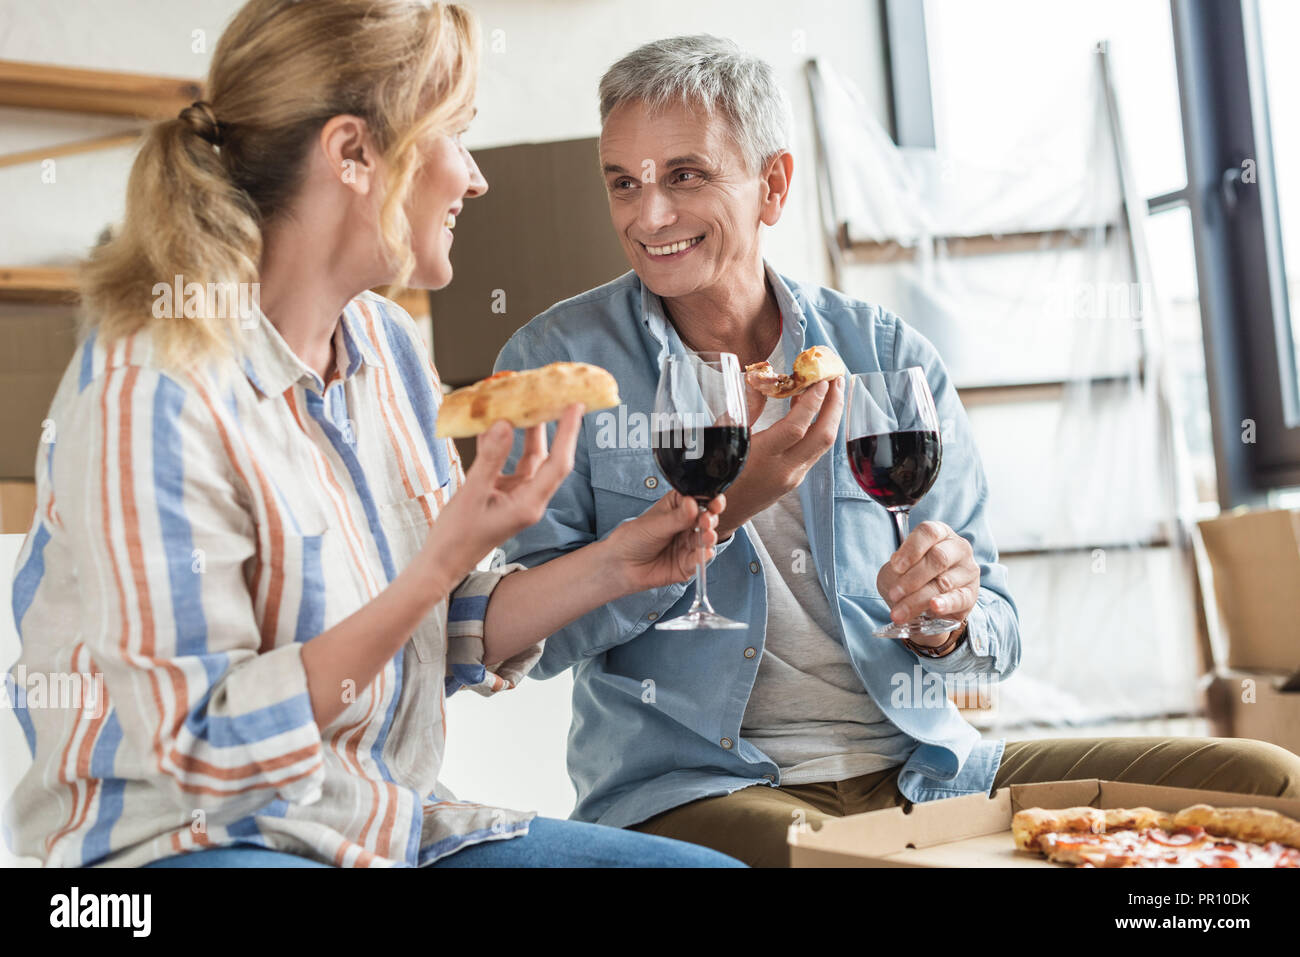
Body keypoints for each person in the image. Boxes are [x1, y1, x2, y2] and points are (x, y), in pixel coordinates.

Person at [493, 34, 1300, 867]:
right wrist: (729, 512)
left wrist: (948, 624)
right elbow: (535, 643)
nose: (647, 215)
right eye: (624, 183)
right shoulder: (557, 370)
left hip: (930, 767)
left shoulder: (885, 355)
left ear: (773, 186)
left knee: (1262, 779)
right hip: (700, 789)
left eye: (684, 175)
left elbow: (1000, 630)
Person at [2, 1, 745, 869]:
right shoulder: (151, 387)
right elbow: (201, 750)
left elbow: (445, 625)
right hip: (189, 844)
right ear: (353, 152)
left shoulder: (387, 347)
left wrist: (616, 563)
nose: (475, 177)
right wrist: (432, 564)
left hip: (380, 828)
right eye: (455, 136)